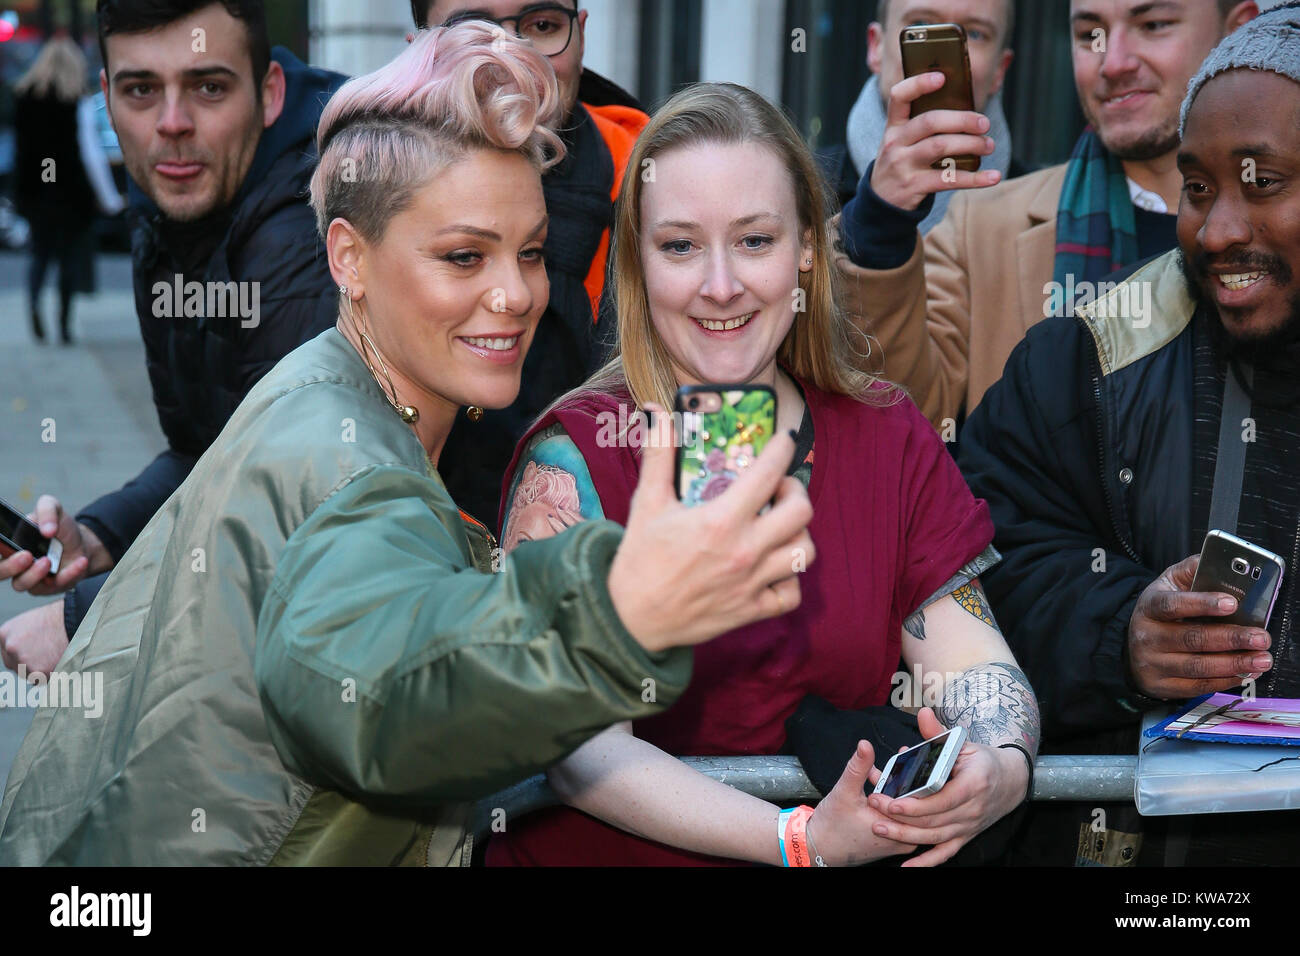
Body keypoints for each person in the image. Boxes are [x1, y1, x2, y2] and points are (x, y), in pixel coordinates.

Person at [0, 24, 815, 866]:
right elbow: (389, 700)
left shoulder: (326, 387)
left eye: (530, 252)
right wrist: (615, 614)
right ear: (349, 257)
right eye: (463, 257)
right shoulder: (349, 465)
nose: (513, 294)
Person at [486, 83, 1040, 868]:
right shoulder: (575, 455)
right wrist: (800, 840)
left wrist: (997, 771)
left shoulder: (886, 432)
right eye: (679, 246)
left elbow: (975, 665)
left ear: (808, 248)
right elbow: (573, 746)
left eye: (754, 241)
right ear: (638, 263)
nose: (721, 285)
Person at [957, 2, 1300, 865]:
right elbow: (977, 571)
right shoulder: (1086, 358)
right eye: (1196, 187)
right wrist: (1121, 634)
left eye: (1262, 182)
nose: (1219, 228)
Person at [0, 0, 345, 678]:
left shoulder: (304, 232)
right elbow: (210, 453)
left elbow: (305, 514)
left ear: (270, 92)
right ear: (105, 96)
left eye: (208, 86)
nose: (171, 124)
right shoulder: (175, 202)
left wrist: (86, 617)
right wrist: (98, 534)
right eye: (139, 90)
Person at [835, 0, 1258, 433]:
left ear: (1237, 31)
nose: (1112, 63)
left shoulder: (1283, 229)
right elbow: (899, 416)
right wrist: (880, 222)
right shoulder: (980, 226)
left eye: (1153, 25)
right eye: (1088, 34)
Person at [411, 0, 649, 525]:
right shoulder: (364, 207)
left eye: (542, 26)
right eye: (473, 29)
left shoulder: (665, 199)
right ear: (417, 53)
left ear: (580, 35)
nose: (513, 55)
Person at [819, 0, 1020, 229]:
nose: (941, 61)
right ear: (876, 47)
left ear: (1000, 70)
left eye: (975, 34)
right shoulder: (803, 187)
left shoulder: (1040, 206)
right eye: (921, 24)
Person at [13, 36, 125, 345]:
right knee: (67, 260)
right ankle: (63, 326)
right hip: (70, 195)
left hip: (36, 193)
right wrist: (109, 199)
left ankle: (34, 303)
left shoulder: (24, 100)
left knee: (39, 254)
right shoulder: (77, 103)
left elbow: (25, 153)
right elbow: (90, 154)